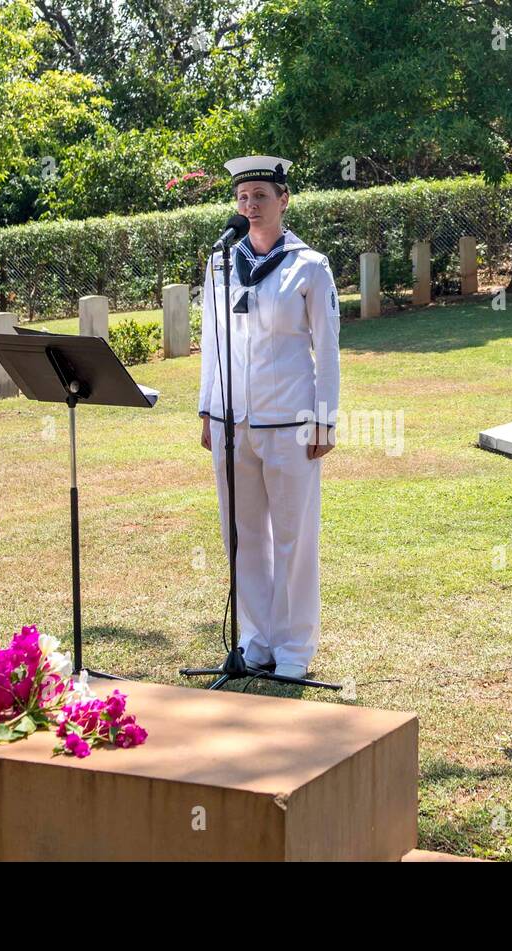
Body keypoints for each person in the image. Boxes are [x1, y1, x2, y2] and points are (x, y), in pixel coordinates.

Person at [198, 155, 340, 680]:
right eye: (243, 196)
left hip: (291, 422)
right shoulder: (220, 263)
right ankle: (254, 642)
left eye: (261, 195)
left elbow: (326, 348)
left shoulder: (310, 266)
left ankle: (294, 651)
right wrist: (208, 410)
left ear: (284, 200)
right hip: (233, 419)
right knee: (243, 534)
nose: (251, 204)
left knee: (294, 538)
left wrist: (326, 418)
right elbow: (213, 342)